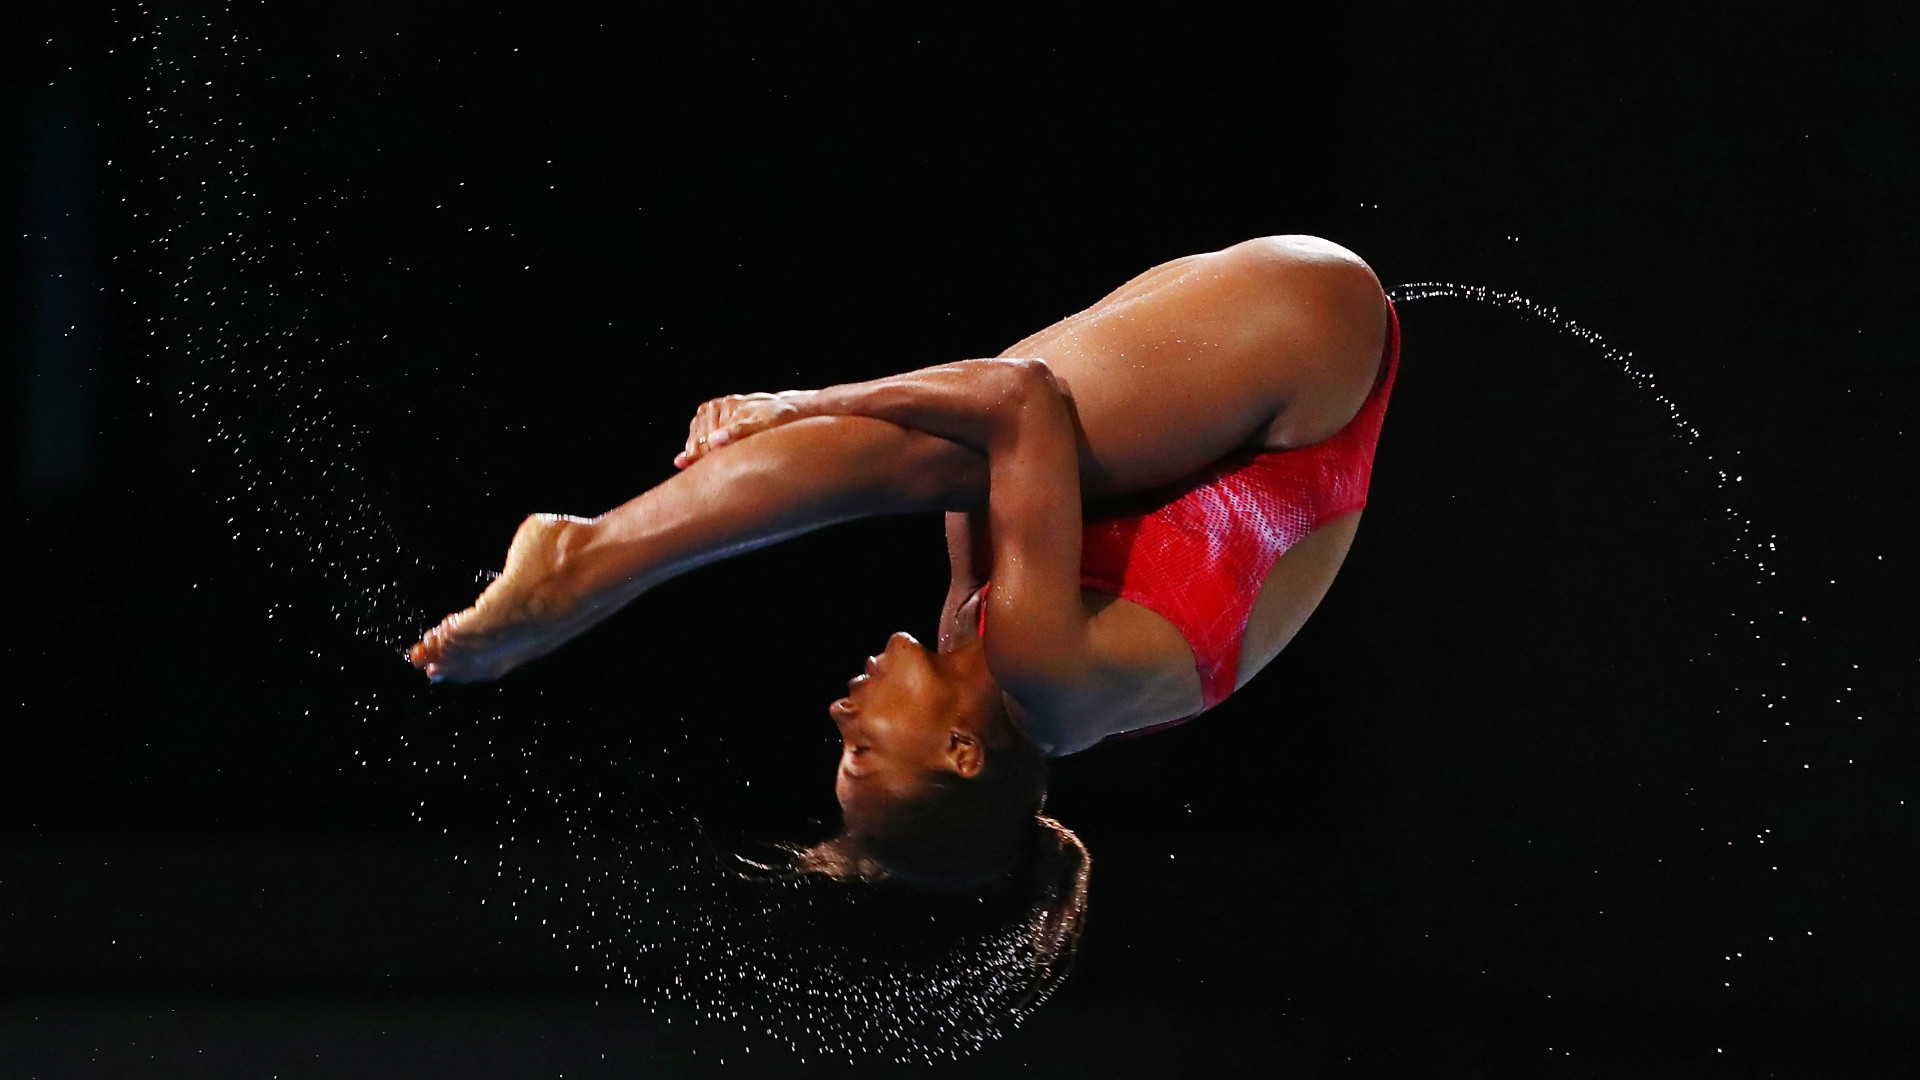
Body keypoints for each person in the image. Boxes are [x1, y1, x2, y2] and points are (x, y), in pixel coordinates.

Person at [408, 235, 1398, 908]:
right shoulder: (1048, 678)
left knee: (947, 457)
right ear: (963, 759)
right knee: (944, 452)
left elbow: (984, 421)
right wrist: (795, 404)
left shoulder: (989, 639)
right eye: (861, 756)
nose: (841, 719)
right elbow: (1018, 400)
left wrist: (806, 418)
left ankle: (597, 561)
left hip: (1270, 381)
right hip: (1311, 347)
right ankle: (591, 561)